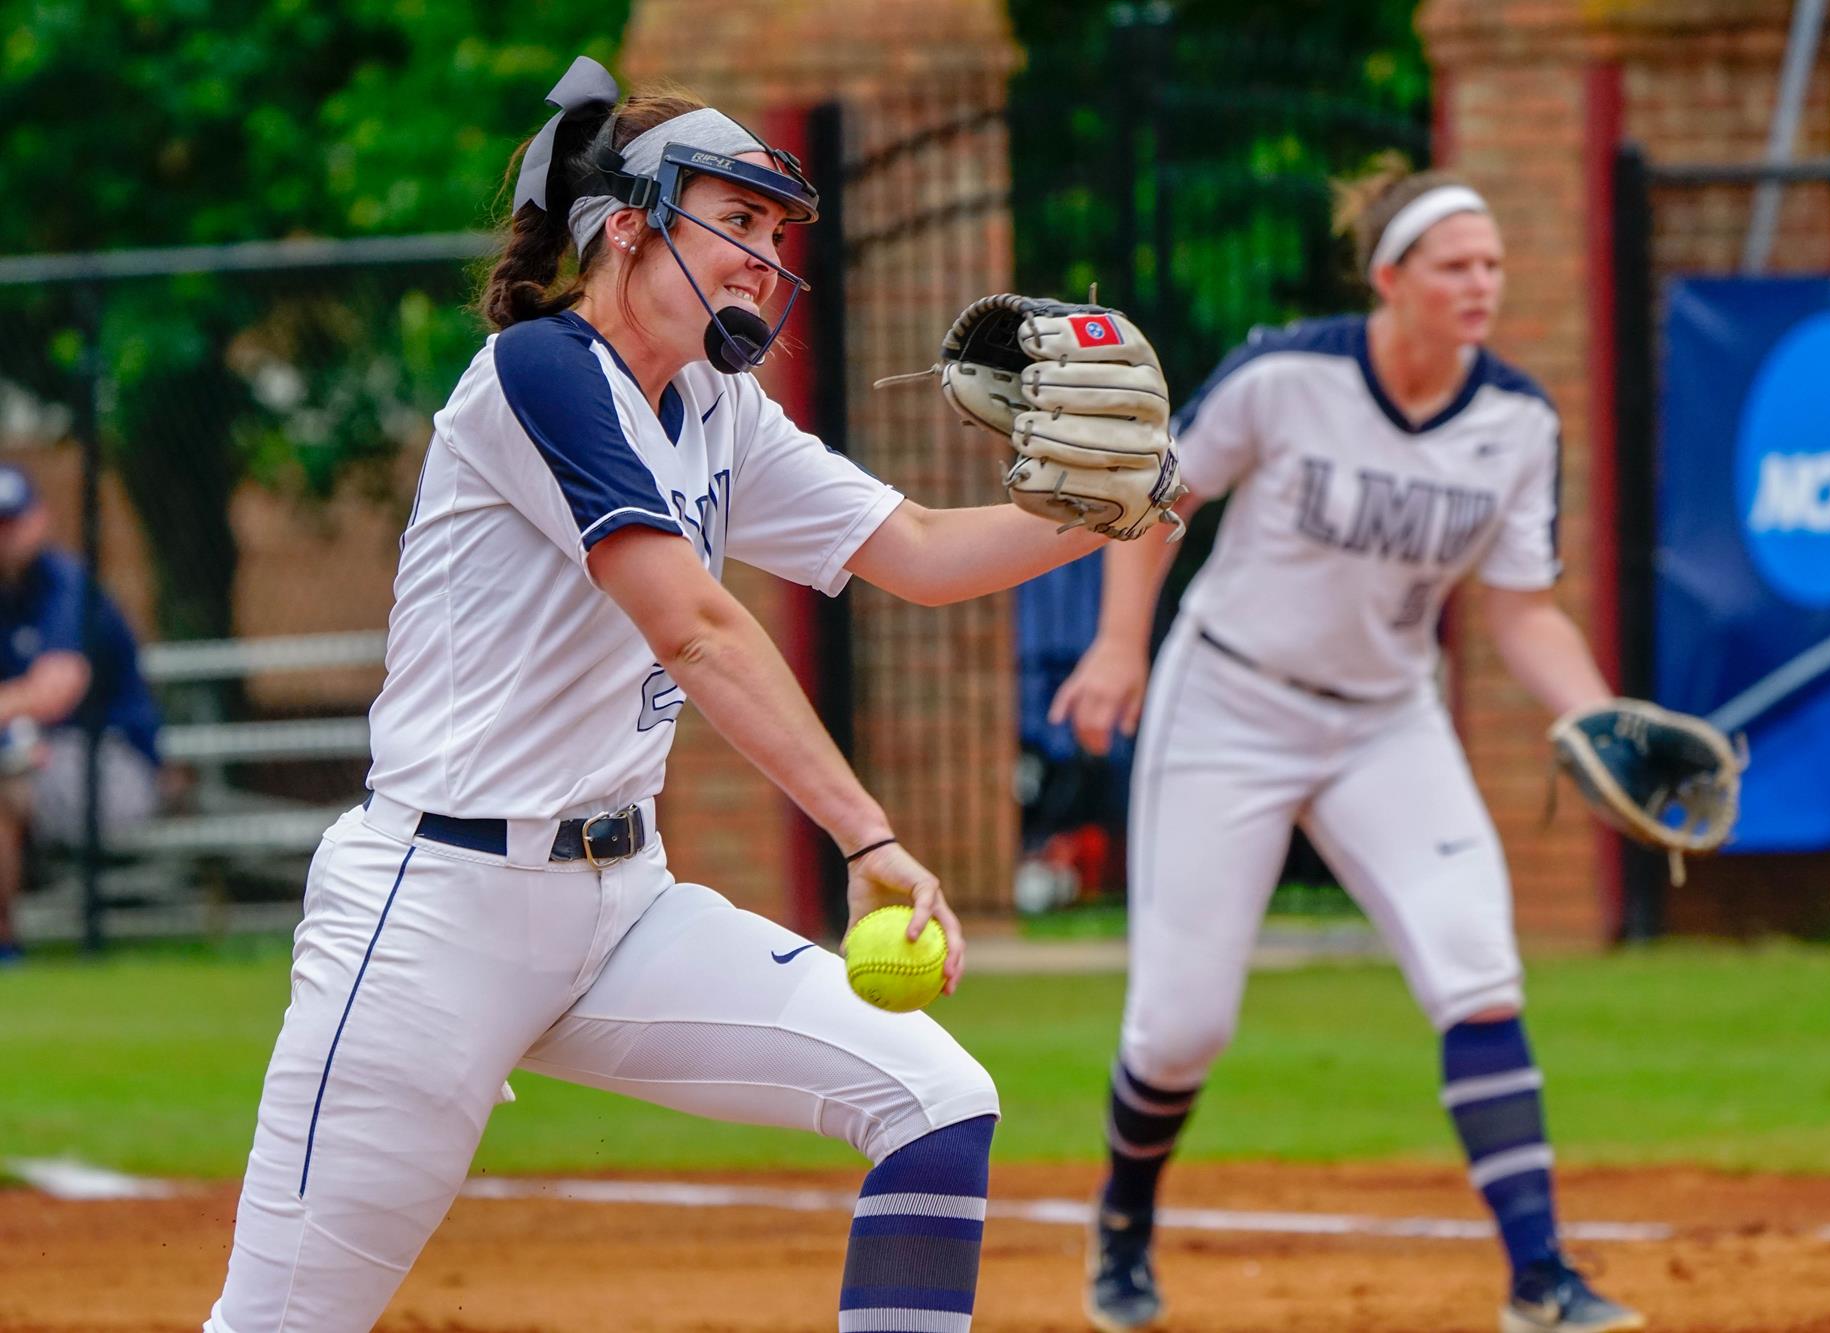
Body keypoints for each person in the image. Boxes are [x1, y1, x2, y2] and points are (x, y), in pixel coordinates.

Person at [204, 55, 1163, 1333]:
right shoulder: (539, 371)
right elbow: (697, 628)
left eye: (778, 233)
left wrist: (1120, 499)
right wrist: (864, 835)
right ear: (625, 225)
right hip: (433, 915)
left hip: (619, 908)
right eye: (738, 220)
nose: (767, 257)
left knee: (934, 1101)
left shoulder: (717, 404)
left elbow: (921, 556)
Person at [1050, 158, 1646, 1333]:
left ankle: (1539, 1277)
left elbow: (1521, 608)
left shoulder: (1517, 418)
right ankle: (1121, 1220)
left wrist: (1591, 717)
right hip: (1229, 701)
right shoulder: (1286, 374)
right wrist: (1119, 646)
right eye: (1454, 265)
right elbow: (1155, 499)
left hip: (1384, 719)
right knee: (1181, 1024)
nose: (1481, 284)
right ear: (1389, 277)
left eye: (1492, 265)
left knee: (1476, 965)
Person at [0, 463, 160, 963]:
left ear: (39, 519)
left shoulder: (67, 587)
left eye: (12, 521)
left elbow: (55, 692)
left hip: (112, 770)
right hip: (33, 764)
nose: (5, 536)